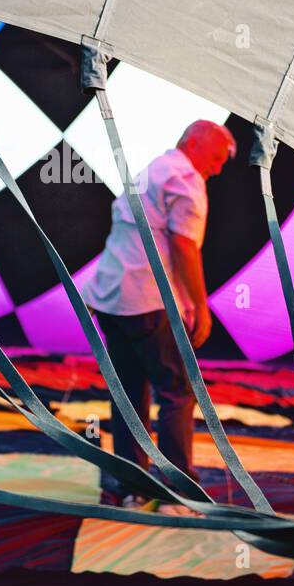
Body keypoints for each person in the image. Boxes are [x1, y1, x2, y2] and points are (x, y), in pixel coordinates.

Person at [83, 120, 236, 512]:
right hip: (148, 302)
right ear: (193, 143)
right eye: (217, 158)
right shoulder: (185, 179)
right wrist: (199, 306)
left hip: (111, 298)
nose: (218, 169)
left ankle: (130, 486)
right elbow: (184, 247)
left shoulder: (152, 169)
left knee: (129, 394)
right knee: (176, 393)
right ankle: (179, 492)